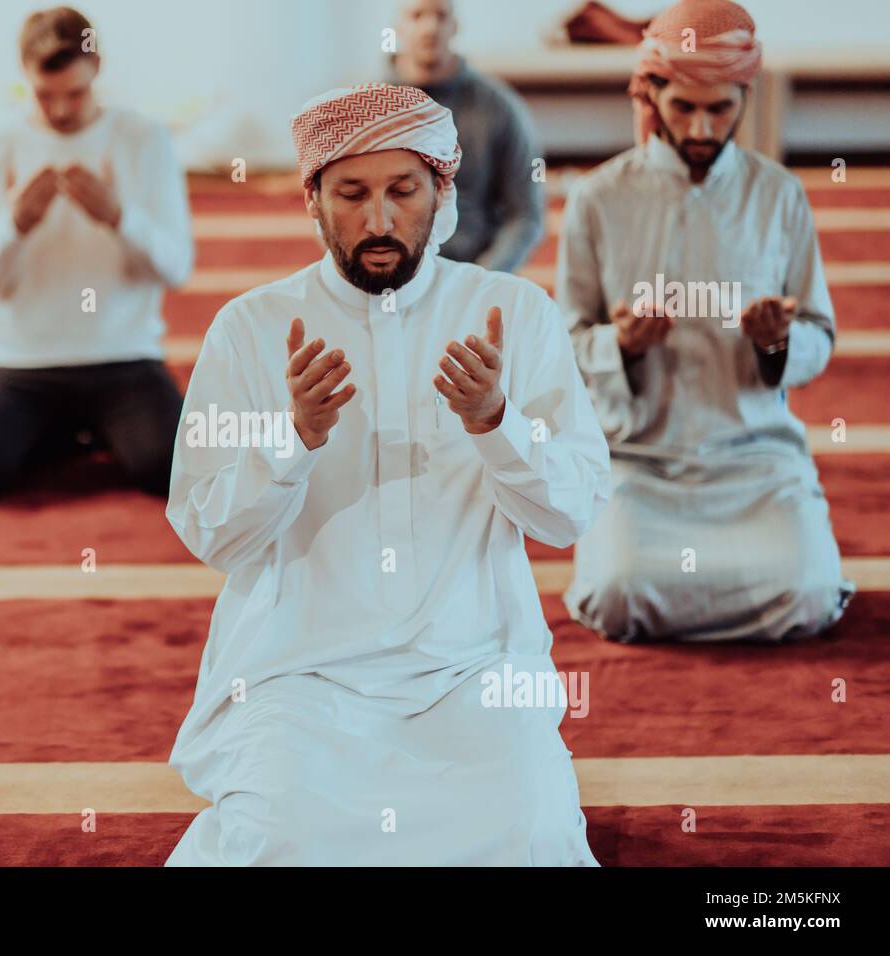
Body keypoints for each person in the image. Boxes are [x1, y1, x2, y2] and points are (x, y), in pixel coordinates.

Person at [163, 83, 611, 865]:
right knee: (281, 845)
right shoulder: (251, 329)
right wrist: (292, 438)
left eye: (403, 191)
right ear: (312, 200)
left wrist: (496, 424)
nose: (378, 220)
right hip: (299, 676)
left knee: (528, 839)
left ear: (443, 192)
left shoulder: (513, 314)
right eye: (351, 194)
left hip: (473, 666)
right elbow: (209, 532)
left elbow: (568, 517)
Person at [557, 0, 855, 643]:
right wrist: (623, 345)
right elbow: (568, 341)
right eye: (683, 107)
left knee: (806, 595)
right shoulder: (597, 199)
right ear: (652, 93)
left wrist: (779, 341)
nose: (700, 126)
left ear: (744, 98)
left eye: (718, 108)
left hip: (756, 464)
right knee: (616, 595)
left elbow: (820, 335)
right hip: (640, 463)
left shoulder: (779, 195)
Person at [0, 6, 193, 502]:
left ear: (97, 70)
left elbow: (176, 267)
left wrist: (120, 217)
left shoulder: (145, 139)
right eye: (44, 95)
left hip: (124, 356)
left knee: (172, 471)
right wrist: (15, 225)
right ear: (24, 76)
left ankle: (76, 434)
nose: (60, 111)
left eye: (75, 94)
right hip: (20, 361)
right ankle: (82, 433)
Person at [386, 0, 545, 273]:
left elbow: (525, 216)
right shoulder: (367, 108)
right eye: (417, 15)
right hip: (388, 280)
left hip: (475, 272)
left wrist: (482, 280)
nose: (430, 27)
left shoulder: (500, 108)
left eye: (441, 16)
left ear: (456, 25)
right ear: (398, 27)